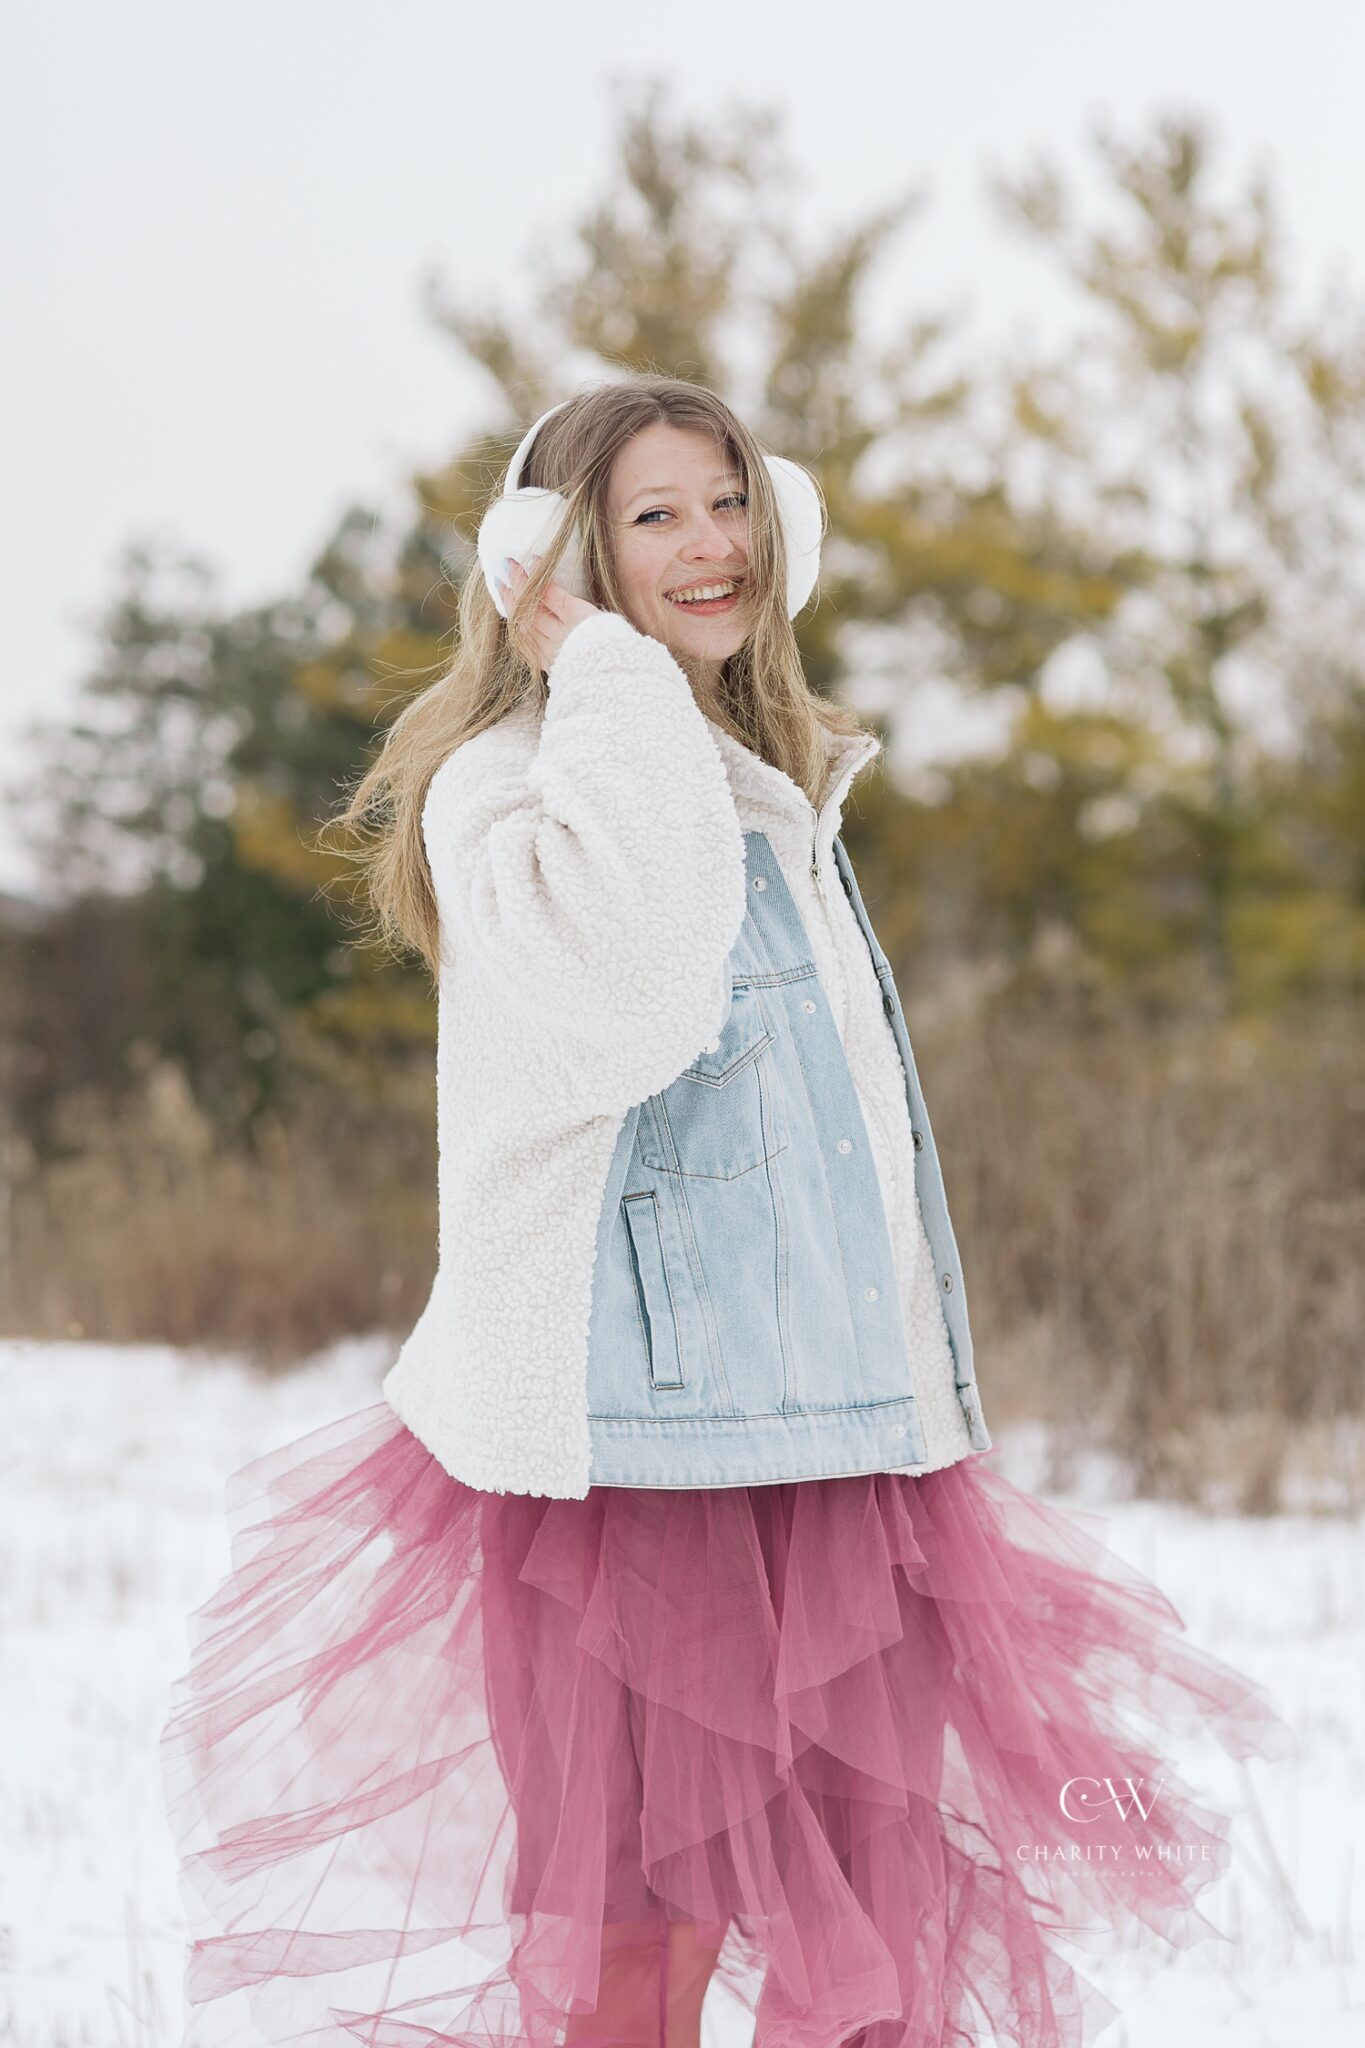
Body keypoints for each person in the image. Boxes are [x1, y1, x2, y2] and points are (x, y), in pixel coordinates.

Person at [159, 376, 1296, 2048]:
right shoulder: (510, 787)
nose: (708, 546)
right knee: (643, 1932)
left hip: (844, 1459)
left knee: (869, 1928)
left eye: (728, 500)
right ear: (552, 569)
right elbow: (632, 999)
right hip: (645, 1465)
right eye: (649, 516)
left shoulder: (779, 794)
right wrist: (604, 676)